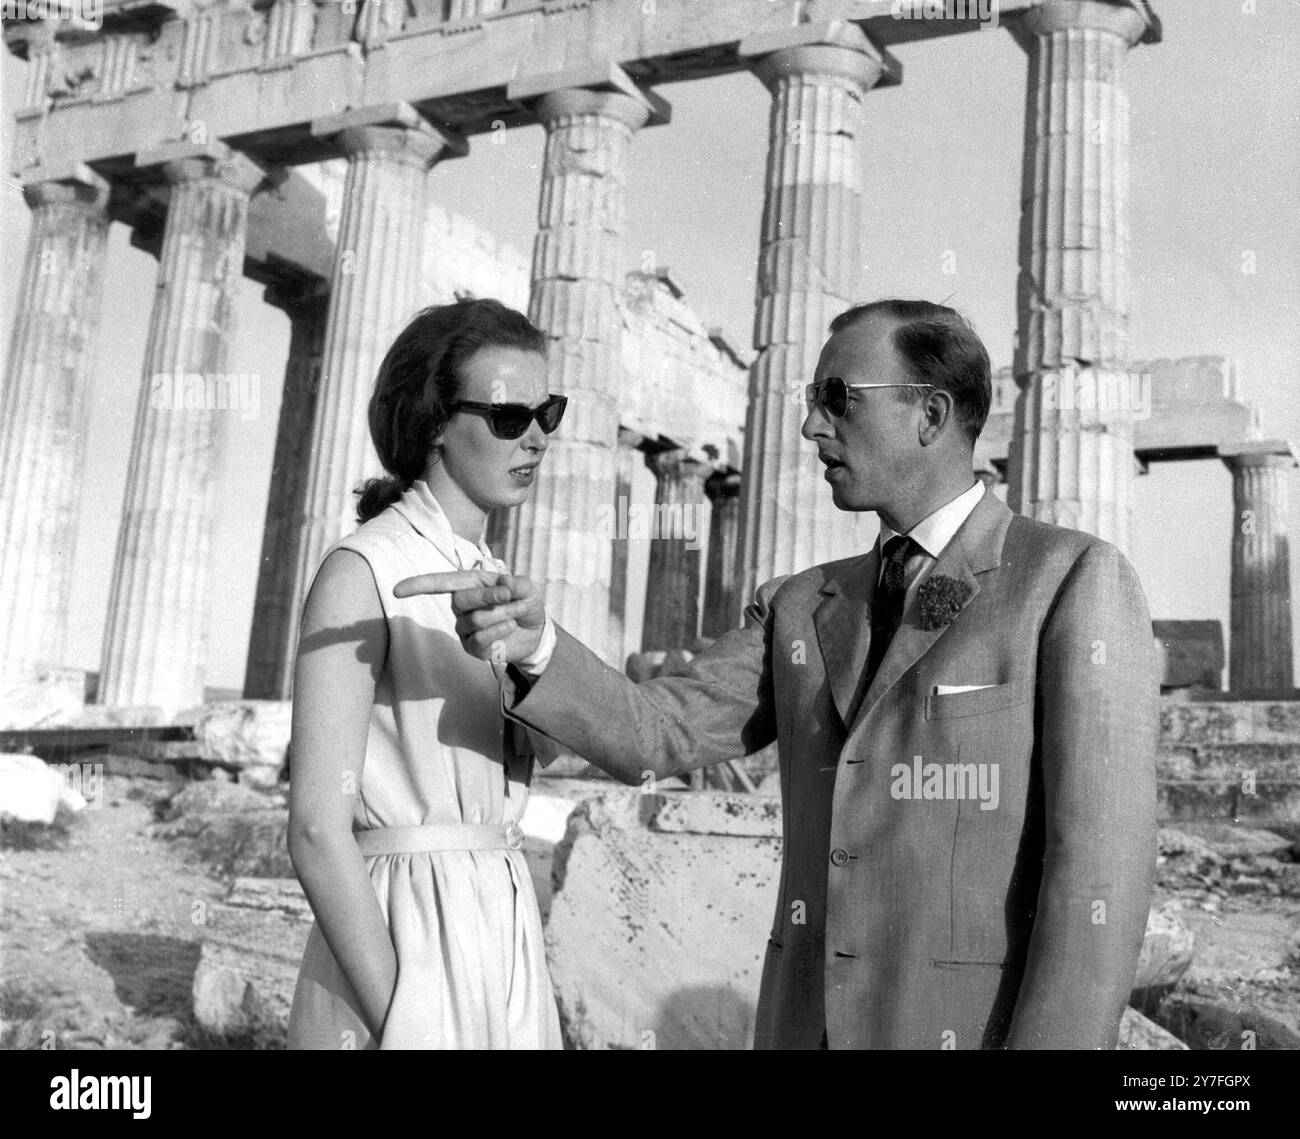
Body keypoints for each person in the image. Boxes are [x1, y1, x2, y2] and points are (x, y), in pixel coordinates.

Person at [399, 299, 1160, 1050]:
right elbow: (656, 731)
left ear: (931, 415)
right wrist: (537, 646)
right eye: (808, 400)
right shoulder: (801, 605)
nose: (809, 426)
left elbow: (1098, 877)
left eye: (839, 399)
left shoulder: (1069, 582)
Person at [286, 298, 567, 1049]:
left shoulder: (494, 580)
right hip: (400, 933)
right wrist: (406, 1018)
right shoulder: (362, 569)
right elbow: (316, 827)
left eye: (549, 412)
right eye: (511, 416)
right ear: (437, 419)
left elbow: (552, 756)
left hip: (497, 925)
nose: (536, 437)